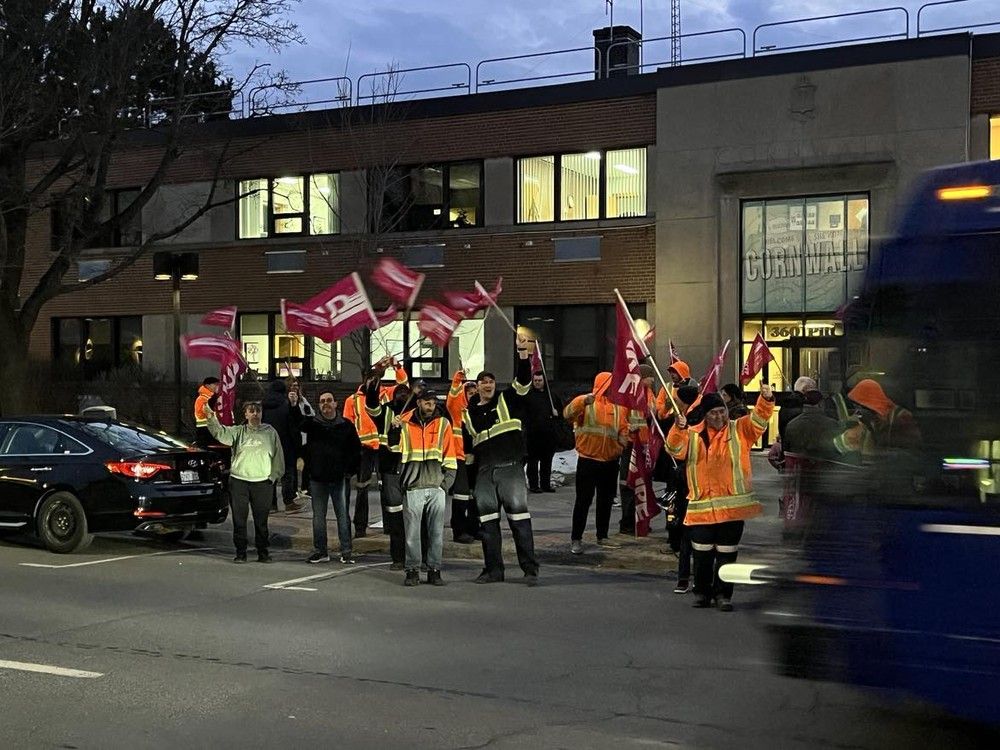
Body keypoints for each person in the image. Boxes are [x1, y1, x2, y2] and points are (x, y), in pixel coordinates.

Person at [666, 384, 775, 611]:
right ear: (705, 415)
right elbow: (674, 449)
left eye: (722, 411)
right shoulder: (692, 434)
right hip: (702, 508)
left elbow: (760, 420)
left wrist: (766, 399)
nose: (719, 416)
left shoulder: (739, 430)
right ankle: (702, 593)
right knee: (702, 554)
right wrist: (678, 428)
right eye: (714, 413)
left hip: (732, 509)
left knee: (727, 556)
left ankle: (723, 596)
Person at [462, 336, 539, 585]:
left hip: (510, 470)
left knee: (519, 521)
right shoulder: (469, 415)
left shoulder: (508, 400)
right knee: (488, 525)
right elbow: (469, 453)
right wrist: (472, 485)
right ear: (476, 386)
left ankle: (529, 570)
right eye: (483, 382)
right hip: (484, 474)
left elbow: (524, 381)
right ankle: (493, 571)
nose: (488, 385)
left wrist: (523, 354)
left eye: (491, 381)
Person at [389, 390, 457, 586]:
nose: (431, 406)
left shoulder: (443, 423)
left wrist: (444, 485)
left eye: (433, 402)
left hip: (436, 487)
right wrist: (394, 430)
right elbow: (394, 449)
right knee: (412, 535)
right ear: (418, 403)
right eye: (427, 402)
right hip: (413, 487)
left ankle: (434, 570)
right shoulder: (406, 423)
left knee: (436, 533)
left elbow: (450, 457)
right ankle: (412, 571)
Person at [205, 401, 285, 563]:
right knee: (239, 520)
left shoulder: (270, 432)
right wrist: (211, 417)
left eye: (258, 411)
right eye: (251, 411)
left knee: (261, 521)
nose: (255, 413)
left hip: (263, 482)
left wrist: (274, 476)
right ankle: (240, 552)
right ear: (246, 414)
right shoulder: (238, 431)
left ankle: (263, 552)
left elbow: (278, 456)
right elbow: (220, 433)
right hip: (239, 482)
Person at [564, 372, 630, 554]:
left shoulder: (619, 407)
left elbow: (623, 427)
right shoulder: (586, 402)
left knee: (606, 501)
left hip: (610, 461)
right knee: (583, 501)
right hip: (588, 460)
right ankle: (576, 538)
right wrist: (583, 401)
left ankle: (603, 535)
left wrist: (623, 440)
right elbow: (567, 414)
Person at [301, 391, 363, 565]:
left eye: (329, 400)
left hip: (339, 479)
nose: (325, 404)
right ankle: (321, 551)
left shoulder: (346, 426)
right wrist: (295, 404)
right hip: (317, 479)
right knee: (318, 517)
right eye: (322, 401)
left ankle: (346, 551)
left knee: (342, 515)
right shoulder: (312, 425)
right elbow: (297, 425)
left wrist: (349, 472)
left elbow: (356, 451)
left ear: (336, 404)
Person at [365, 374, 413, 570]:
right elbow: (371, 404)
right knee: (395, 518)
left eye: (405, 392)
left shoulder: (416, 413)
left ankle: (421, 557)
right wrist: (376, 379)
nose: (402, 394)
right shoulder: (385, 412)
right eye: (398, 391)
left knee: (417, 517)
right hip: (391, 471)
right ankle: (398, 558)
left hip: (412, 470)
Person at [342, 369, 385, 539]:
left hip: (382, 448)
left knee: (387, 488)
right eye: (371, 379)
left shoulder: (384, 397)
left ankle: (390, 525)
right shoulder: (352, 400)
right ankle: (360, 526)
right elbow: (348, 426)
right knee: (362, 488)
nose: (373, 383)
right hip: (364, 449)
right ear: (364, 380)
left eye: (377, 380)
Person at [835, 378, 922, 456]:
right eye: (857, 406)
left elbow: (908, 449)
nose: (858, 411)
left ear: (871, 401)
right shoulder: (870, 419)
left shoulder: (901, 417)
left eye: (861, 405)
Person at [618, 364, 656, 535]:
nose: (653, 380)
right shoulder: (630, 396)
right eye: (650, 376)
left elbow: (652, 415)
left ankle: (641, 520)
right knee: (628, 484)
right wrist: (628, 431)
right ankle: (627, 522)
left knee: (642, 485)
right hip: (631, 446)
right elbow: (622, 420)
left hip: (643, 447)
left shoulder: (649, 394)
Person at [446, 371, 478, 543]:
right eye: (470, 393)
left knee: (475, 495)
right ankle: (459, 530)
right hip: (460, 457)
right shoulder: (457, 410)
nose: (473, 396)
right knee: (461, 495)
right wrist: (458, 380)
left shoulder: (479, 411)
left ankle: (474, 528)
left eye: (475, 393)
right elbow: (452, 399)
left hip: (476, 458)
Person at [261, 379, 303, 513]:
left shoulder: (263, 406)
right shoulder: (286, 405)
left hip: (268, 445)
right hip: (286, 444)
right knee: (287, 474)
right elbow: (295, 424)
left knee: (270, 474)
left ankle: (271, 504)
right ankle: (288, 502)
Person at [524, 370, 564, 493]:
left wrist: (556, 414)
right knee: (533, 462)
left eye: (539, 380)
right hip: (533, 435)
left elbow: (561, 414)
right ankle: (534, 485)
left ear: (544, 381)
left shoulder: (552, 396)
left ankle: (546, 484)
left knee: (547, 462)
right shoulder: (528, 396)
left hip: (549, 435)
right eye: (535, 381)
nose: (537, 383)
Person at [193, 377, 220, 447]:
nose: (217, 386)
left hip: (211, 429)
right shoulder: (202, 399)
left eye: (218, 384)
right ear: (207, 385)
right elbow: (204, 412)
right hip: (204, 431)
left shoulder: (210, 398)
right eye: (215, 384)